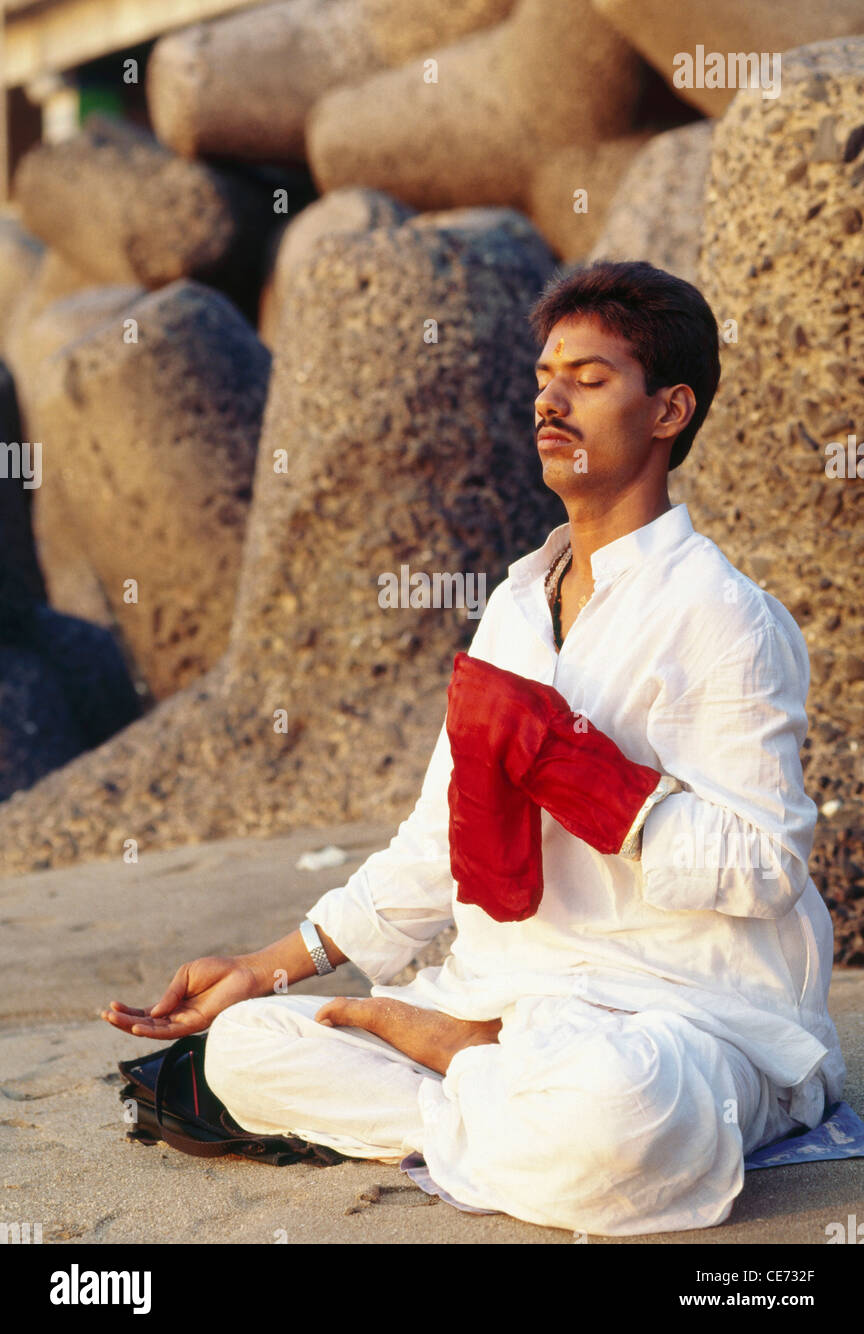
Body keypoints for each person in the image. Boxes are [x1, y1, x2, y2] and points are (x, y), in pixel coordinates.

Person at [103, 260, 845, 1236]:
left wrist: (582, 773)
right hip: (509, 999)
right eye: (545, 375)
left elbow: (765, 865)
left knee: (628, 1115)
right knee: (243, 1045)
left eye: (589, 377)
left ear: (670, 410)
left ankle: (456, 1074)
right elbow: (432, 849)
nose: (551, 397)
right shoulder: (512, 609)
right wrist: (272, 964)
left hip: (679, 1017)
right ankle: (466, 1069)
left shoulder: (727, 618)